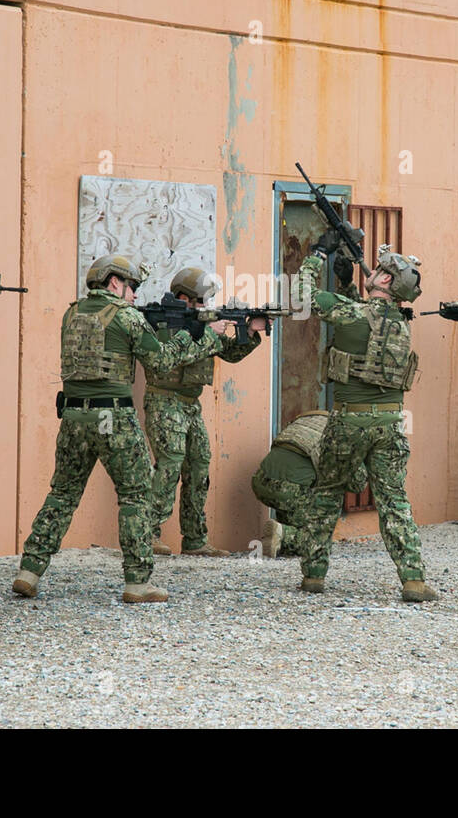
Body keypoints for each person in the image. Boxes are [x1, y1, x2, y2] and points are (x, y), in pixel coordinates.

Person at [12, 254, 226, 604]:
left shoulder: (72, 312)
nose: (135, 296)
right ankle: (137, 582)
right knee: (136, 495)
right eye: (132, 287)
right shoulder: (127, 318)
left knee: (63, 494)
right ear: (114, 283)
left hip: (74, 417)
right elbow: (160, 361)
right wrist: (191, 334)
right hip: (113, 418)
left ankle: (30, 570)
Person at [289, 236, 439, 602]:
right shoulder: (401, 324)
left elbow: (302, 294)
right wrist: (347, 285)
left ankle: (313, 576)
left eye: (380, 270)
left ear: (385, 281)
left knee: (326, 493)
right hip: (390, 424)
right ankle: (413, 580)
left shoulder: (352, 315)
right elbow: (368, 321)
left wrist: (317, 256)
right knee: (394, 501)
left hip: (348, 422)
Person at [143, 267, 266, 557]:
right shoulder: (164, 322)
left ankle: (195, 539)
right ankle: (147, 533)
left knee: (199, 467)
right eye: (199, 301)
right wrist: (210, 334)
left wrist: (248, 331)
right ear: (183, 298)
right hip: (164, 400)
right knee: (169, 466)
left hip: (189, 404)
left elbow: (230, 353)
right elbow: (173, 358)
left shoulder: (202, 324)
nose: (204, 307)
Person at [252, 410, 367, 559]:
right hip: (291, 490)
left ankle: (281, 540)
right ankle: (285, 534)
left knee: (300, 492)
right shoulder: (346, 436)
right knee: (320, 545)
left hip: (260, 481)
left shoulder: (309, 418)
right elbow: (358, 484)